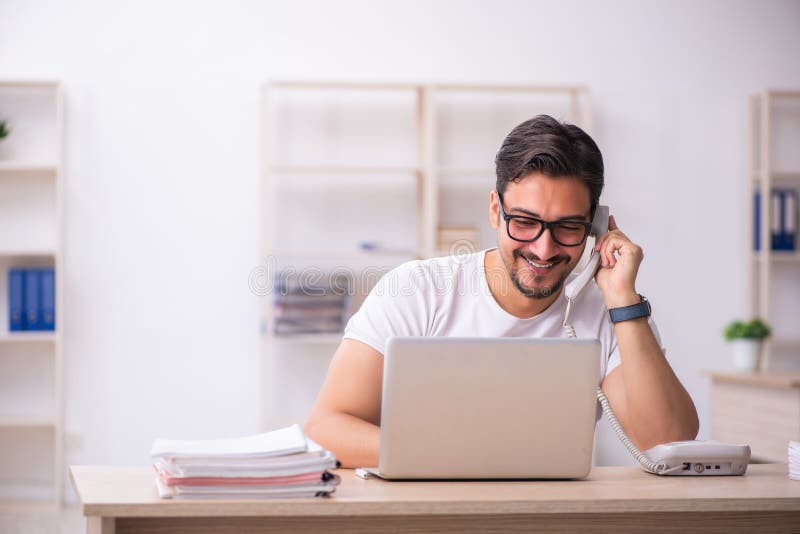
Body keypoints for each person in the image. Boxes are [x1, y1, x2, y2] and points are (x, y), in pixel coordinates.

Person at [304, 114, 699, 468]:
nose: (544, 249)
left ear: (596, 226)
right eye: (525, 222)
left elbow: (668, 443)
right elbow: (326, 427)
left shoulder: (607, 311)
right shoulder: (416, 290)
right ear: (495, 209)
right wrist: (462, 457)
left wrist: (623, 301)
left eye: (568, 226)